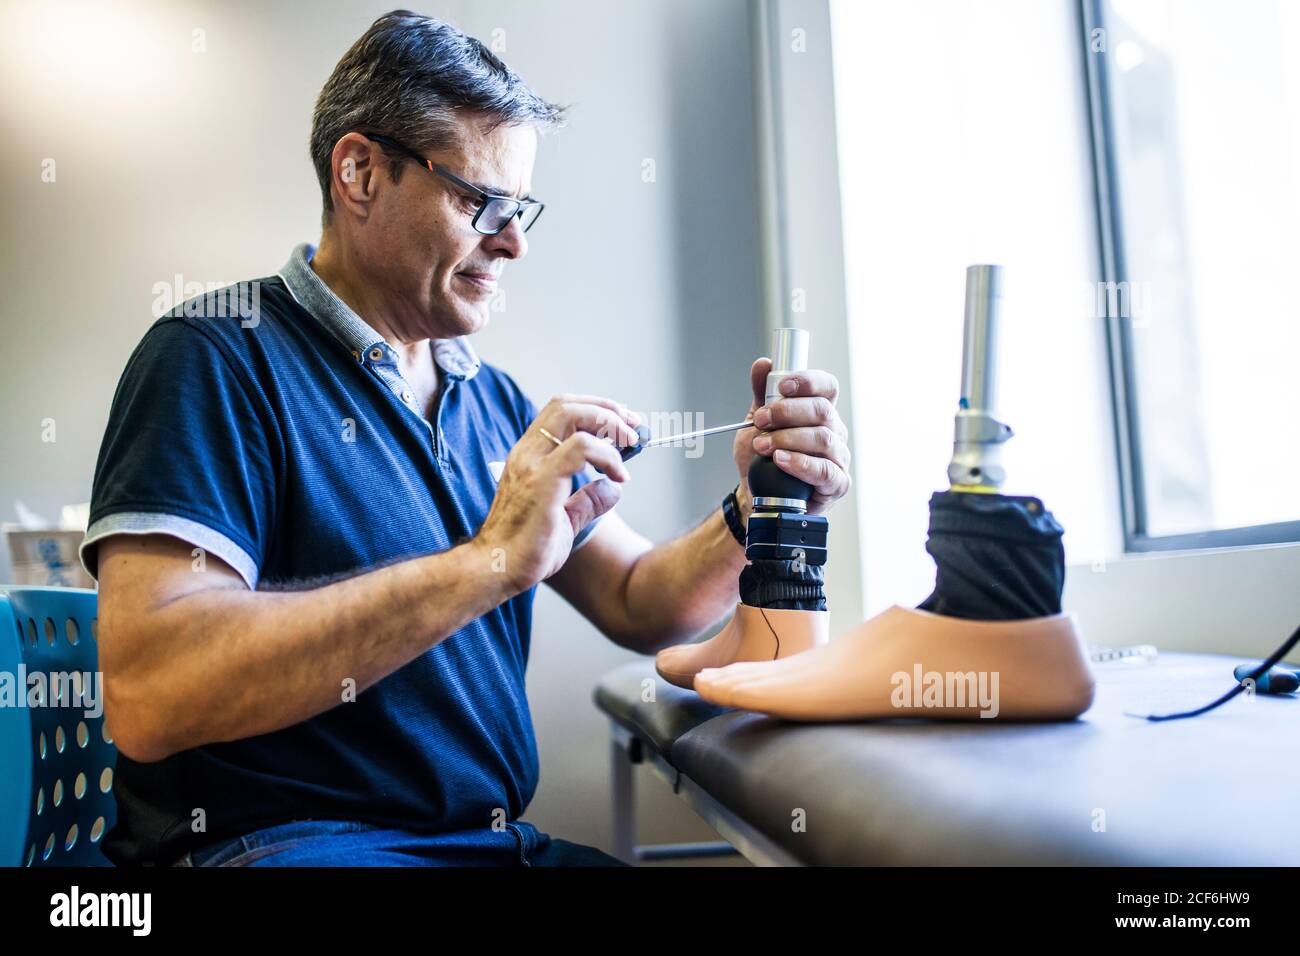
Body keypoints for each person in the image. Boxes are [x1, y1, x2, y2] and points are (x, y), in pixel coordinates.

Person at [84, 10, 851, 866]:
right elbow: (151, 694)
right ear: (361, 173)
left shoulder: (490, 401)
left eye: (520, 206)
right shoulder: (215, 358)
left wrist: (753, 505)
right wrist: (487, 561)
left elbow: (642, 599)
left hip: (486, 849)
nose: (514, 242)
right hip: (278, 849)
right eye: (479, 201)